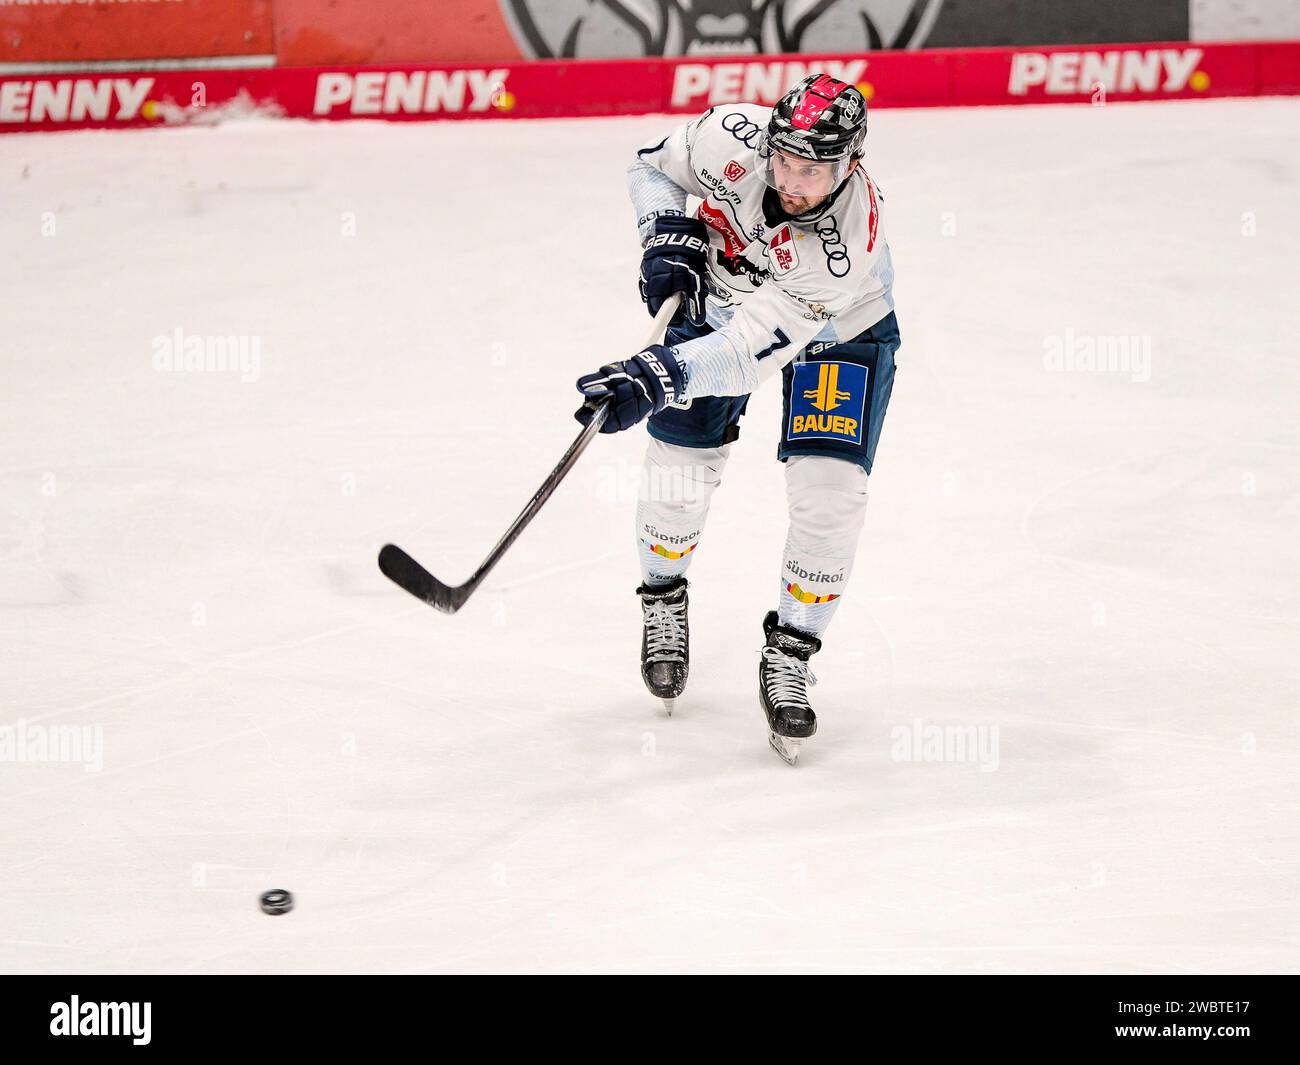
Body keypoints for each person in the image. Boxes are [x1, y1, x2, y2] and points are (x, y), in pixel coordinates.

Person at [574, 74, 900, 764]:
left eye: (812, 170)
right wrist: (665, 238)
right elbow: (650, 166)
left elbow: (746, 355)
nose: (790, 179)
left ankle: (791, 650)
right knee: (677, 476)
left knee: (829, 499)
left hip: (837, 331)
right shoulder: (733, 138)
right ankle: (662, 597)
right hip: (722, 300)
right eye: (784, 159)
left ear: (851, 164)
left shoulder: (842, 251)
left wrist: (661, 376)